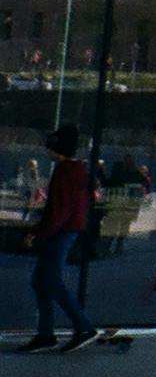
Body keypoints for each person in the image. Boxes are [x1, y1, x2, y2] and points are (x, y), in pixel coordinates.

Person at [22, 124, 96, 353]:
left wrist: (37, 232)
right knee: (42, 280)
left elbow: (58, 211)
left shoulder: (65, 172)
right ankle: (47, 334)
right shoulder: (77, 170)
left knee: (50, 279)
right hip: (67, 230)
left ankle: (82, 327)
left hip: (61, 232)